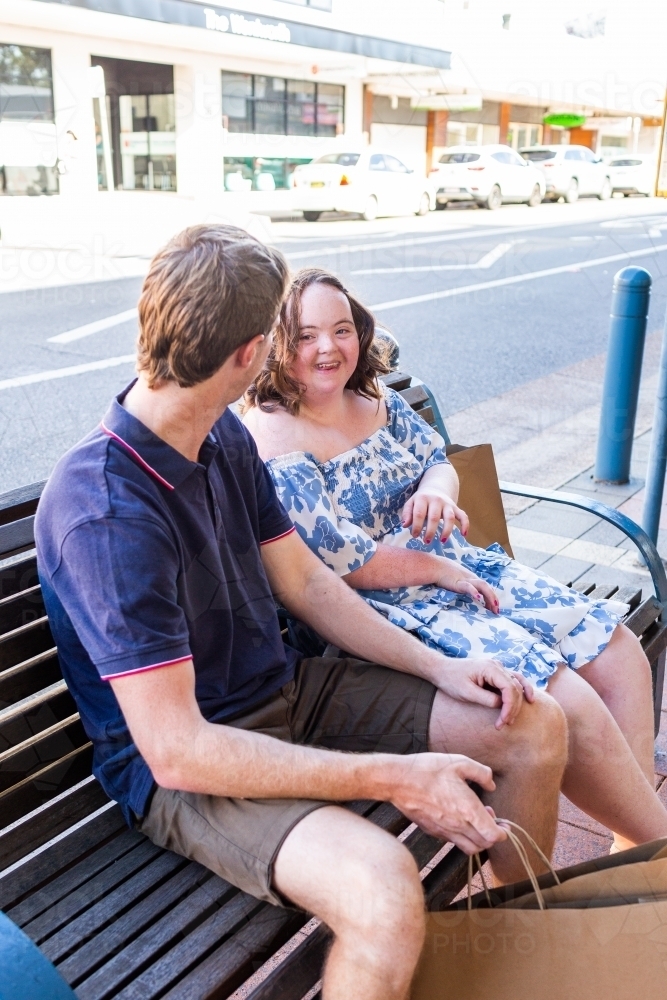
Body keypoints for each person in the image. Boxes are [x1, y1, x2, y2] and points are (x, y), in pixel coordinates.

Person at [35, 226, 568, 1000]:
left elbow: (309, 586)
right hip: (189, 770)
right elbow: (179, 751)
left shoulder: (218, 432)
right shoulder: (107, 513)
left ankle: (505, 969)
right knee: (383, 888)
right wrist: (393, 777)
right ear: (252, 353)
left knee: (527, 721)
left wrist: (441, 667)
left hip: (284, 693)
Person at [243, 265, 667, 857]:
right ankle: (658, 855)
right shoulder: (275, 437)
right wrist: (441, 570)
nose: (327, 349)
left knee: (620, 654)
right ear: (278, 347)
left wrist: (438, 491)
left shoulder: (369, 395)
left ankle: (634, 848)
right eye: (307, 335)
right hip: (387, 609)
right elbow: (344, 565)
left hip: (459, 572)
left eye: (342, 330)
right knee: (567, 700)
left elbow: (434, 457)